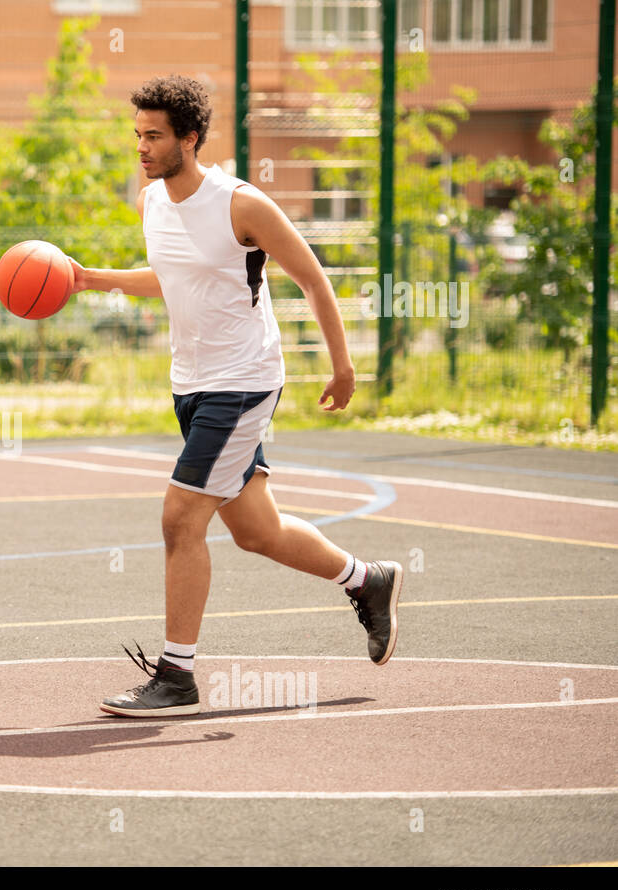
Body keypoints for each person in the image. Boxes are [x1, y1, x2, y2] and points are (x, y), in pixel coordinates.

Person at [67, 75, 403, 717]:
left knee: (179, 519)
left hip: (243, 382)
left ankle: (177, 675)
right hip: (191, 384)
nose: (141, 146)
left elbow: (313, 279)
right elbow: (174, 280)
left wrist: (342, 367)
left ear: (189, 138)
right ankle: (368, 580)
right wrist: (89, 279)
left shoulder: (242, 204)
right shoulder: (152, 202)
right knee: (257, 530)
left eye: (154, 135)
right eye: (137, 134)